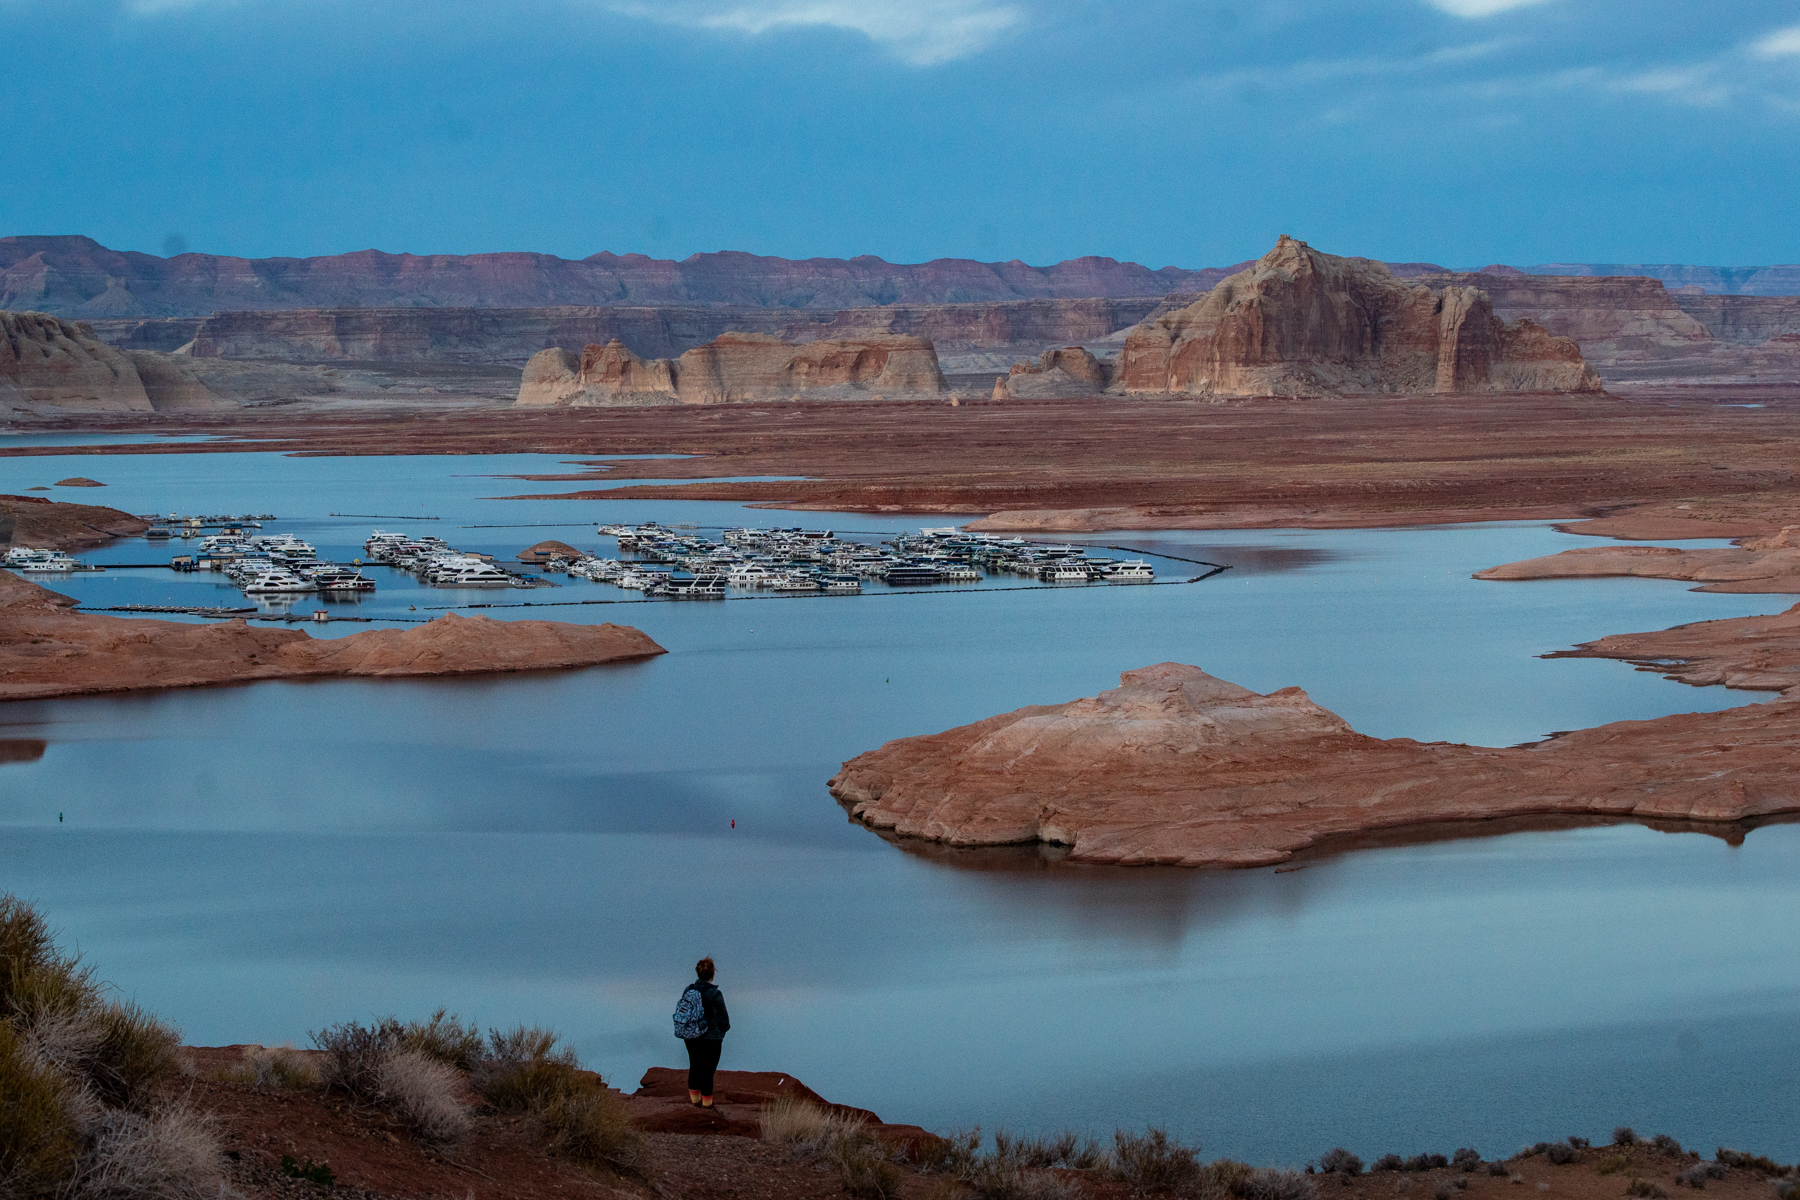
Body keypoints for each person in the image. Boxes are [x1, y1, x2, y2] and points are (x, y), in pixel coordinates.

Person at [677, 956, 730, 1107]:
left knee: (694, 1066)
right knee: (708, 1071)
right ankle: (707, 1105)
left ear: (698, 973)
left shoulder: (689, 990)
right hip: (711, 1038)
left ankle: (695, 1104)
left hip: (691, 1036)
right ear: (713, 974)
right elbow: (723, 1020)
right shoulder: (715, 994)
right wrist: (723, 1031)